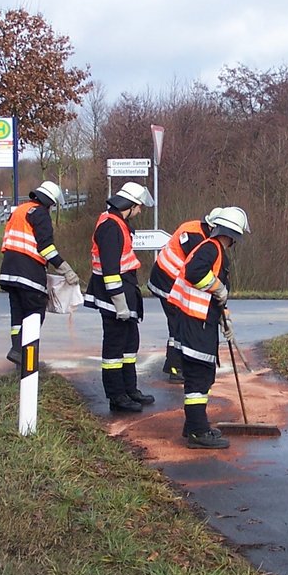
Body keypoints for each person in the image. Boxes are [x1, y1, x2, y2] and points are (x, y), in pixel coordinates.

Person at [170, 206, 249, 449]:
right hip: (196, 324)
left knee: (201, 376)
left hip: (198, 321)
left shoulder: (212, 249)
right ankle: (197, 432)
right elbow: (196, 274)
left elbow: (216, 296)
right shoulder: (211, 248)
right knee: (199, 377)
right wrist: (216, 286)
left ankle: (194, 425)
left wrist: (226, 318)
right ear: (233, 235)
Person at [85, 181, 155, 414]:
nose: (140, 211)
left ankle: (129, 389)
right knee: (114, 349)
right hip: (114, 297)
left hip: (124, 293)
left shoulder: (118, 224)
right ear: (131, 205)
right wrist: (119, 303)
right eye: (139, 207)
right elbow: (110, 270)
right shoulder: (111, 227)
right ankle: (117, 396)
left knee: (129, 345)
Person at [0, 181, 83, 365]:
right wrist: (65, 269)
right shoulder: (41, 215)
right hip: (28, 272)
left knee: (18, 316)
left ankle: (18, 353)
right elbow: (46, 248)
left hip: (9, 270)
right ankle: (23, 354)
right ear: (50, 202)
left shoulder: (20, 210)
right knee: (35, 312)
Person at [147, 207, 223, 382]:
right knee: (178, 325)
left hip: (168, 279)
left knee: (178, 324)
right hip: (167, 281)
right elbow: (197, 272)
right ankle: (176, 368)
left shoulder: (196, 229)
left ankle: (173, 364)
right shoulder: (197, 238)